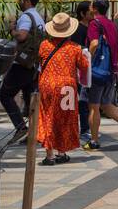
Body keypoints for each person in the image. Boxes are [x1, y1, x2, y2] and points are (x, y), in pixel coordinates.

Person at [36, 12, 90, 165]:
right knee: (65, 118)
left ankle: (49, 155)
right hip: (67, 87)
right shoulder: (75, 48)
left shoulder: (44, 45)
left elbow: (40, 60)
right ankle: (62, 152)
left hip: (47, 84)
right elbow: (84, 66)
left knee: (47, 117)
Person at [85, 0, 118, 150]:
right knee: (106, 104)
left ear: (95, 9)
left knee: (94, 106)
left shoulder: (94, 24)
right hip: (111, 71)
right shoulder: (111, 24)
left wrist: (88, 60)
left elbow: (94, 43)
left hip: (97, 71)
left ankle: (94, 140)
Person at [0, 0, 45, 143]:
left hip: (21, 64)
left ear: (27, 1)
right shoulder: (38, 17)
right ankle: (34, 132)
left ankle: (21, 128)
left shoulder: (26, 17)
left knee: (5, 94)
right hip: (33, 65)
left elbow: (22, 35)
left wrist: (12, 29)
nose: (18, 2)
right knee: (29, 99)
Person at [71, 0, 92, 141]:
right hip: (79, 69)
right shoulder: (78, 29)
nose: (93, 15)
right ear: (82, 14)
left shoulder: (92, 27)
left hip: (88, 68)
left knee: (86, 100)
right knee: (82, 100)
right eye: (90, 12)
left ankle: (86, 127)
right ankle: (84, 128)